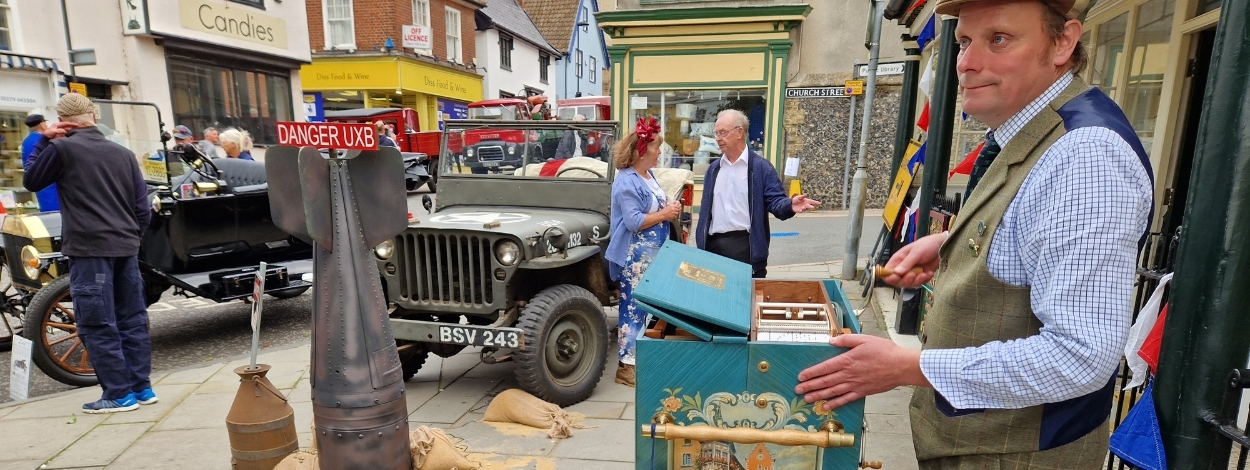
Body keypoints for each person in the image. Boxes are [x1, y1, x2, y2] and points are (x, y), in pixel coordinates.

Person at [793, 0, 1154, 467]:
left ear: (1064, 41)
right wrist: (953, 244)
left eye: (999, 39)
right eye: (964, 42)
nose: (967, 62)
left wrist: (910, 366)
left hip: (1015, 454)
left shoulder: (1086, 157)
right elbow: (1035, 232)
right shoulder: (1035, 133)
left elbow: (1079, 356)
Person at [23, 93, 156, 414]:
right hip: (125, 248)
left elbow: (31, 180)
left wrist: (43, 140)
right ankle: (142, 387)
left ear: (62, 121)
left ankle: (118, 394)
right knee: (132, 318)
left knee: (97, 321)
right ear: (93, 117)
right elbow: (143, 209)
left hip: (89, 249)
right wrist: (129, 239)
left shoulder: (61, 148)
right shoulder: (123, 153)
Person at [694, 109, 819, 278]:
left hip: (746, 249)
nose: (717, 138)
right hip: (713, 249)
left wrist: (790, 205)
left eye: (722, 132)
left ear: (739, 132)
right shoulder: (713, 170)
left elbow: (776, 202)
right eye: (716, 133)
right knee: (713, 302)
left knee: (746, 302)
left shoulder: (761, 168)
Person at [605, 116, 681, 387]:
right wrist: (665, 213)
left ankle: (640, 361)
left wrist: (669, 207)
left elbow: (653, 208)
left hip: (652, 254)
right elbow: (634, 221)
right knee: (633, 310)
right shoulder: (626, 181)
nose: (660, 152)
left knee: (646, 309)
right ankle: (626, 368)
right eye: (656, 147)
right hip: (635, 256)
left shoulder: (647, 176)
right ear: (642, 151)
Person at [21, 114, 59, 211]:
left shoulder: (26, 141)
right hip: (51, 182)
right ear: (42, 125)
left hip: (36, 181)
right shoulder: (43, 140)